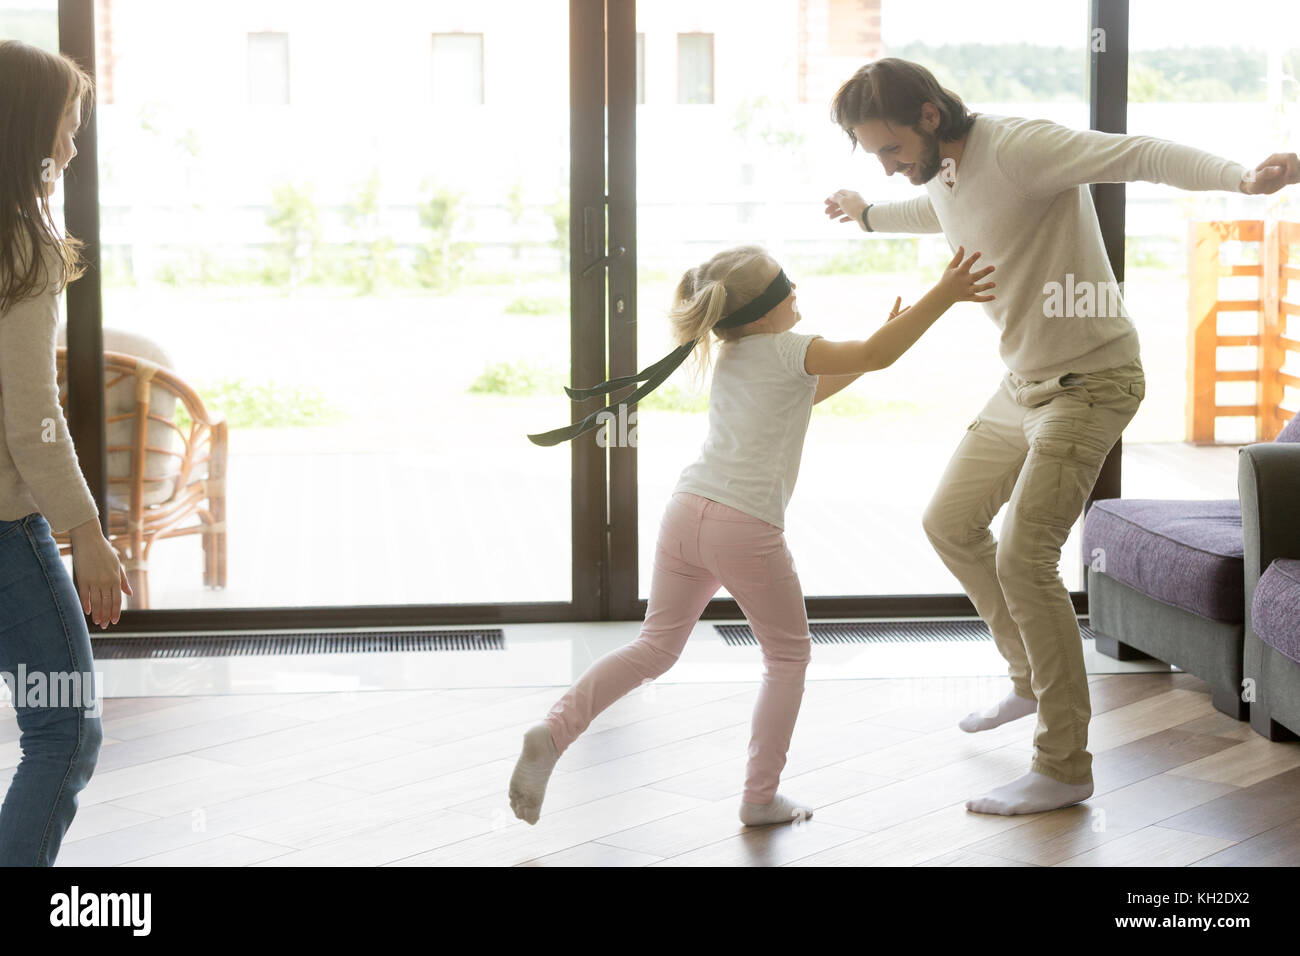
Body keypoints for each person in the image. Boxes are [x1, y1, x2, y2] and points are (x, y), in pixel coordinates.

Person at [823, 57, 1300, 816]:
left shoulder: (1018, 148)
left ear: (927, 117)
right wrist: (868, 210)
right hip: (1022, 386)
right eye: (872, 156)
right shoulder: (939, 171)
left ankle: (1063, 764)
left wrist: (1241, 176)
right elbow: (943, 214)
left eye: (887, 150)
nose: (885, 165)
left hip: (1092, 382)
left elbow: (1135, 152)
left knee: (1024, 557)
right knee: (948, 521)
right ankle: (1026, 676)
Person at [513, 242, 995, 826]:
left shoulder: (736, 354)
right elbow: (875, 354)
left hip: (686, 512)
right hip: (744, 526)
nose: (797, 292)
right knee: (788, 657)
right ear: (765, 309)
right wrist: (941, 294)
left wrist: (877, 346)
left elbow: (834, 377)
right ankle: (759, 797)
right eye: (786, 285)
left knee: (654, 648)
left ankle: (555, 731)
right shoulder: (791, 348)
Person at [0, 39, 132, 866]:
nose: (72, 148)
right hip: (7, 532)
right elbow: (33, 417)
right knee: (63, 726)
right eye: (67, 128)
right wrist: (86, 529)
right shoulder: (23, 251)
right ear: (26, 130)